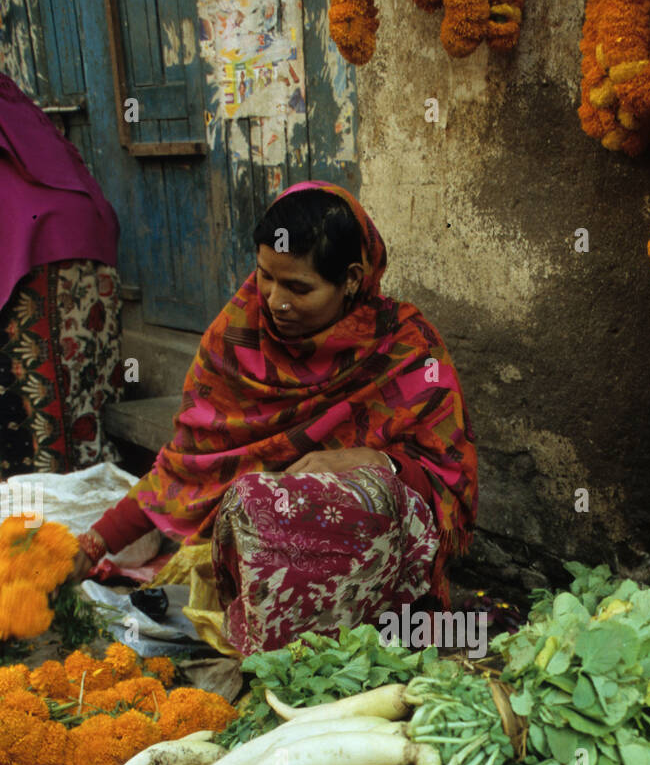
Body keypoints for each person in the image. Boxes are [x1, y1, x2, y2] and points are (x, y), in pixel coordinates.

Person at [73, 181, 478, 655]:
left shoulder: (406, 347)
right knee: (254, 501)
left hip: (377, 590)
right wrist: (90, 547)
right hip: (258, 580)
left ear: (351, 278)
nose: (274, 300)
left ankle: (351, 647)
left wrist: (373, 460)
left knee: (361, 489)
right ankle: (268, 650)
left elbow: (449, 479)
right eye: (266, 275)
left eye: (298, 287)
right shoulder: (238, 337)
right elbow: (185, 467)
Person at [0, 73, 122, 475]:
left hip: (35, 264)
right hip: (87, 248)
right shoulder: (14, 105)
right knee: (85, 413)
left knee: (41, 436)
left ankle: (54, 523)